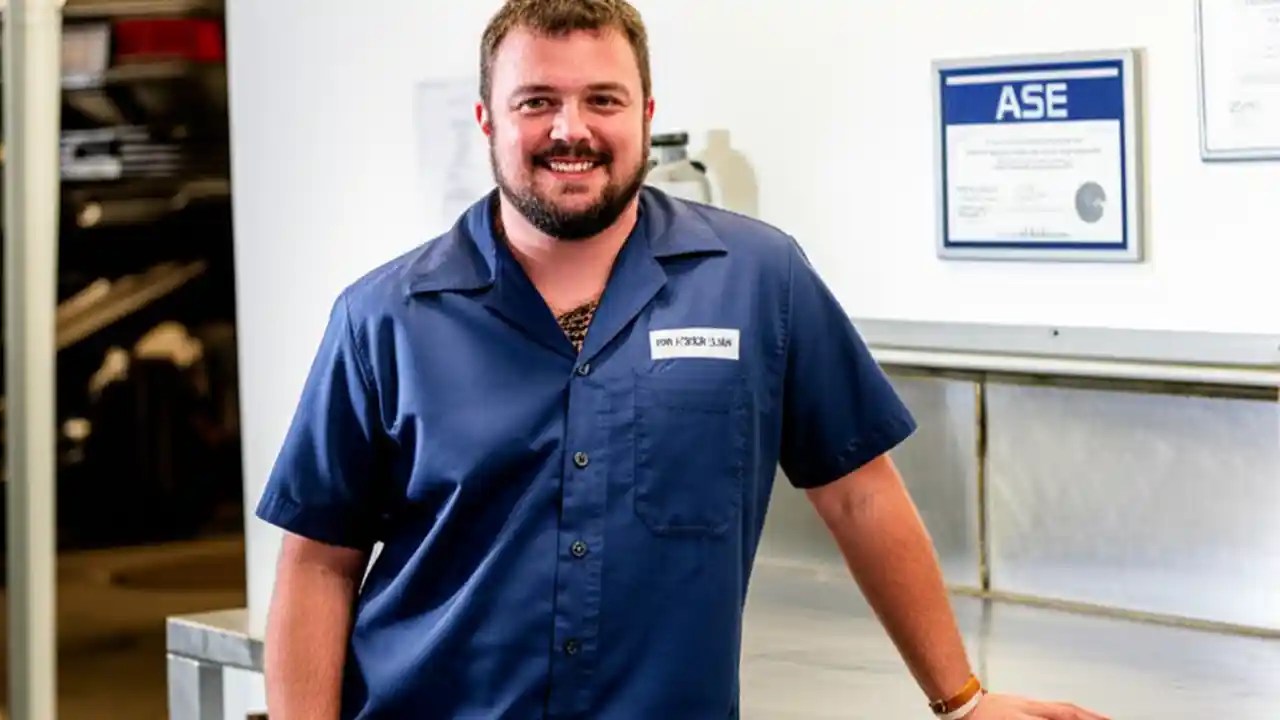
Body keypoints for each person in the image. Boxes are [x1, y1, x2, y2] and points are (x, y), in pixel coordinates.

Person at [256, 1, 1110, 718]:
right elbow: (319, 561)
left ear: (645, 114)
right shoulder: (385, 317)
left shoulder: (758, 281)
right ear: (487, 119)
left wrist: (962, 700)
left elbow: (860, 494)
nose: (571, 129)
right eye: (536, 101)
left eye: (602, 99)